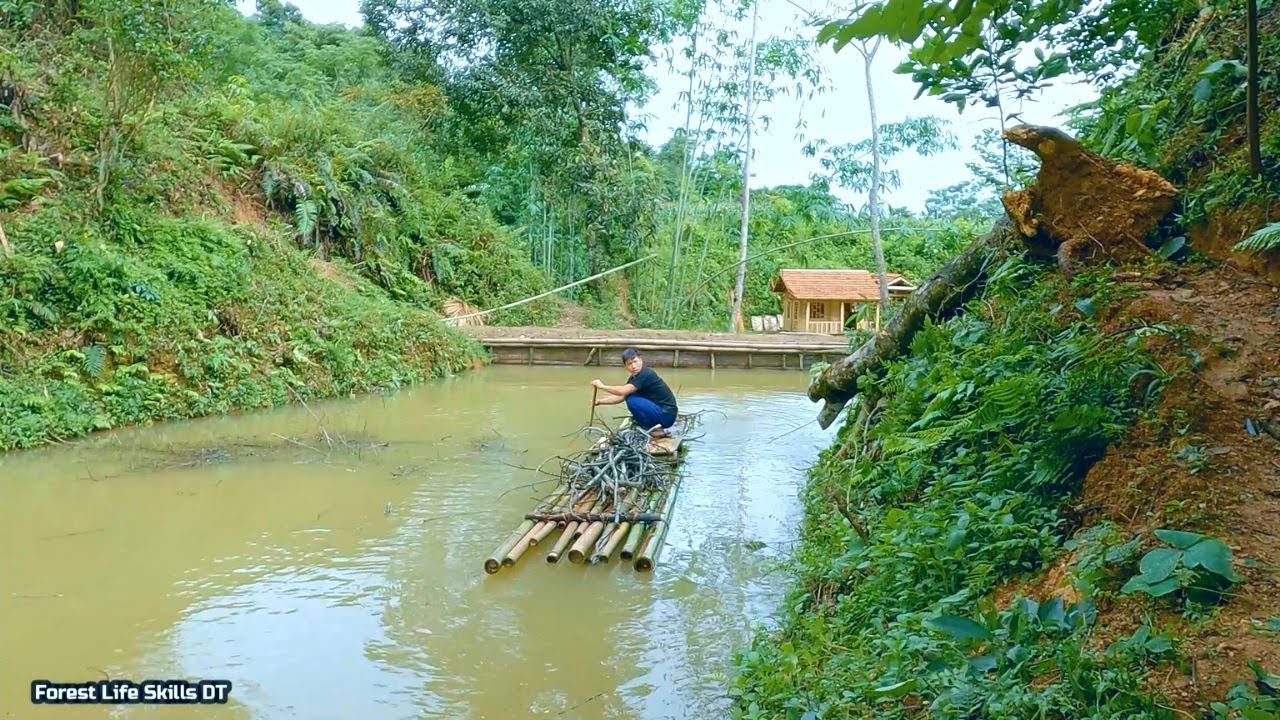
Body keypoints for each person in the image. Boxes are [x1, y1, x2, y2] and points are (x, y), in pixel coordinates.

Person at [591, 347, 679, 437]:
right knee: (629, 396)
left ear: (641, 360)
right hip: (662, 413)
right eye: (629, 364)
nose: (633, 366)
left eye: (635, 361)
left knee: (631, 399)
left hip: (667, 415)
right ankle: (651, 427)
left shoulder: (646, 374)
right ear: (625, 366)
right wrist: (600, 402)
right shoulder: (634, 379)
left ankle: (655, 429)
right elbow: (621, 397)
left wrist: (602, 386)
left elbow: (622, 391)